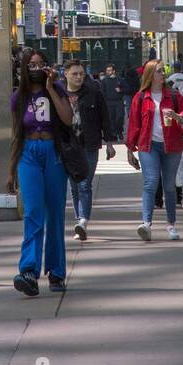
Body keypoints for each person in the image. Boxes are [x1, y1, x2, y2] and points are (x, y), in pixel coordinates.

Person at [8, 48, 73, 295]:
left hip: (53, 152)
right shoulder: (18, 97)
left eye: (40, 64)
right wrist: (10, 171)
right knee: (33, 211)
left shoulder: (56, 90)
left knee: (55, 214)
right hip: (28, 153)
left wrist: (51, 87)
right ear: (24, 69)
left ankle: (56, 272)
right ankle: (28, 271)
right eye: (31, 65)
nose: (35, 68)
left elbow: (67, 118)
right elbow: (16, 134)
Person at [126, 58, 183, 241]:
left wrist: (178, 117)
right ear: (150, 75)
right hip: (148, 145)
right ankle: (146, 224)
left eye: (163, 71)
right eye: (159, 71)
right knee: (150, 182)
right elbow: (134, 123)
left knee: (169, 186)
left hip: (172, 145)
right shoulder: (140, 97)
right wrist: (130, 148)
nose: (163, 74)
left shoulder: (173, 95)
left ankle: (171, 224)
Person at [64, 59, 116, 240]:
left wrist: (110, 142)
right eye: (75, 74)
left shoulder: (94, 92)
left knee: (84, 184)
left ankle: (83, 221)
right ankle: (79, 219)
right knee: (74, 186)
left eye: (81, 74)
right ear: (66, 74)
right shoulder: (59, 94)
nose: (79, 77)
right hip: (68, 146)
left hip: (89, 145)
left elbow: (105, 118)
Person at [99, 64, 124, 139]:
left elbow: (125, 89)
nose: (109, 72)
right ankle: (114, 133)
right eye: (107, 70)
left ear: (114, 71)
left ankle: (119, 131)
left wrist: (121, 90)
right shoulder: (104, 81)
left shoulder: (119, 79)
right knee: (111, 118)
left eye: (110, 70)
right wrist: (105, 101)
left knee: (119, 117)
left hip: (119, 101)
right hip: (109, 102)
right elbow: (102, 92)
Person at [120, 65, 140, 131]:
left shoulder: (126, 78)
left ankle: (130, 116)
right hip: (135, 93)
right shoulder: (136, 78)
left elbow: (122, 86)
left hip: (128, 94)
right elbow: (138, 86)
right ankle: (135, 115)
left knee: (129, 106)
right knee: (135, 105)